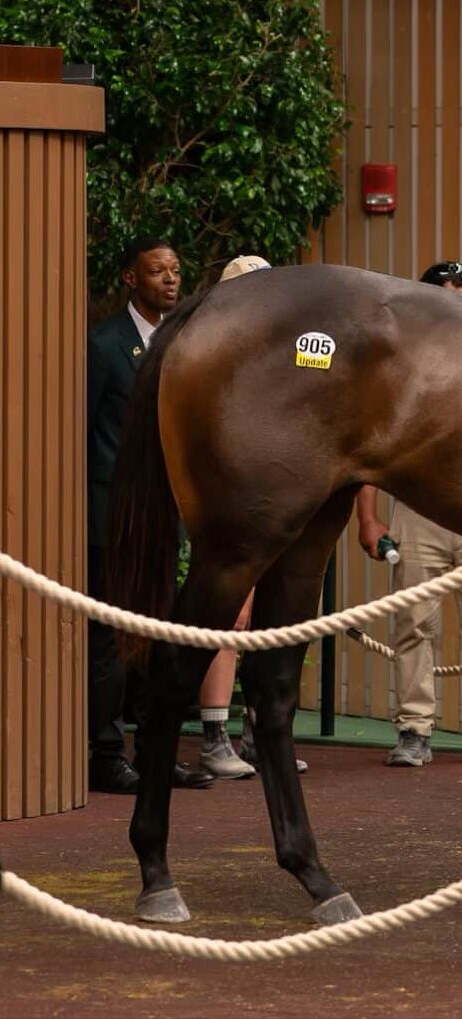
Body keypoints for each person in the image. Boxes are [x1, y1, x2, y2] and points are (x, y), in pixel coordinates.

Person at [356, 260, 462, 769]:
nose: (456, 300)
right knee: (412, 625)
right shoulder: (398, 365)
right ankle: (413, 729)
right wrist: (368, 517)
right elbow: (371, 444)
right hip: (420, 508)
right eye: (444, 292)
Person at [88, 237, 213, 792]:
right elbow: (84, 434)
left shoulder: (186, 343)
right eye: (156, 271)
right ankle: (107, 755)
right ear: (130, 279)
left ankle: (154, 754)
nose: (170, 279)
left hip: (165, 516)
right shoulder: (104, 345)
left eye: (175, 270)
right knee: (114, 644)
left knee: (159, 637)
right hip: (112, 517)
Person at [197, 255, 307, 778]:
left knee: (275, 618)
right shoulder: (215, 356)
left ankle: (259, 731)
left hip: (280, 507)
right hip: (228, 507)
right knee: (227, 613)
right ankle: (215, 734)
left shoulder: (285, 357)